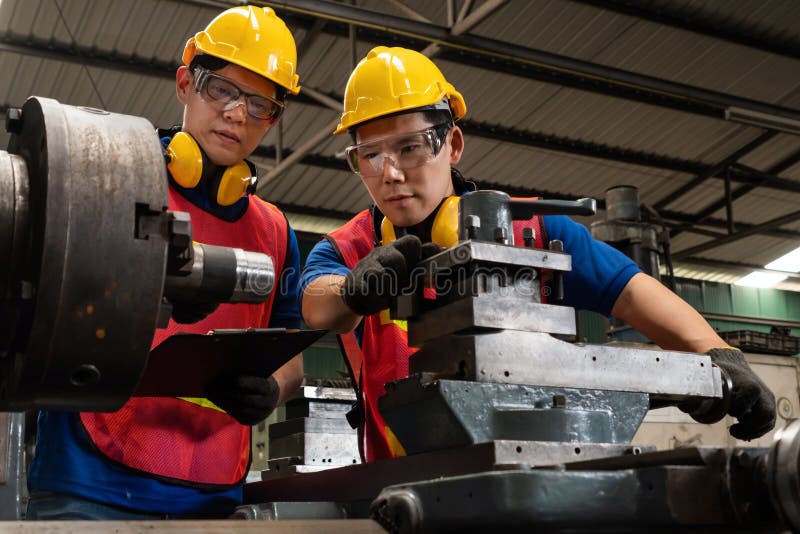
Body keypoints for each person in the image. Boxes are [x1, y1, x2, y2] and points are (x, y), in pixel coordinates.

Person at [300, 46, 776, 462]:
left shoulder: (534, 229)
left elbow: (630, 293)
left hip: (536, 465)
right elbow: (317, 304)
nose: (391, 174)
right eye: (371, 154)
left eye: (411, 147)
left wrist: (720, 355)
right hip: (395, 481)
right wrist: (353, 291)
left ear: (453, 143)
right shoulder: (348, 247)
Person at [27, 6, 305, 519]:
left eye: (260, 103)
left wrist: (272, 387)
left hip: (215, 496)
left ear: (274, 118)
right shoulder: (111, 177)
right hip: (91, 486)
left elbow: (291, 351)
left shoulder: (274, 231)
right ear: (185, 83)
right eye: (221, 88)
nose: (237, 113)